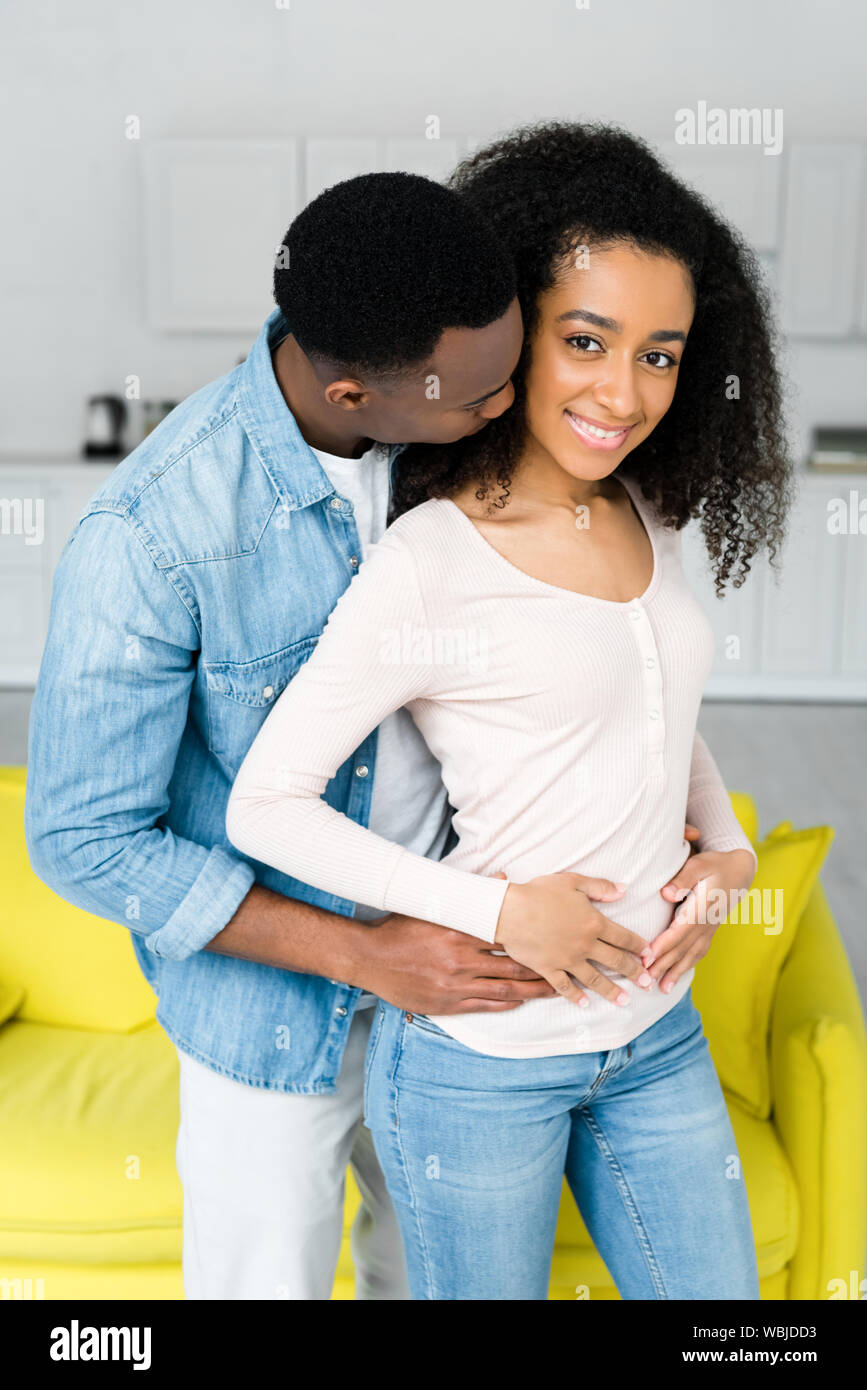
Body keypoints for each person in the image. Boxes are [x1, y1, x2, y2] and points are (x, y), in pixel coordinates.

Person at [224, 122, 793, 1300]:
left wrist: (728, 846)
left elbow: (650, 699)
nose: (622, 391)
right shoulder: (432, 559)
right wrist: (496, 909)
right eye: (587, 340)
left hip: (654, 1036)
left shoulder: (650, 508)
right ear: (520, 333)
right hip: (483, 1062)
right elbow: (264, 805)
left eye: (661, 354)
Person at [25, 170, 551, 1301]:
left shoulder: (456, 450)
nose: (512, 410)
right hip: (269, 1019)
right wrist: (366, 953)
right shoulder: (152, 534)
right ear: (356, 390)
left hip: (462, 987)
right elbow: (83, 838)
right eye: (478, 396)